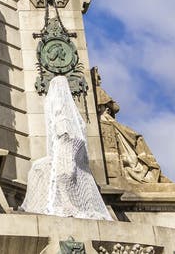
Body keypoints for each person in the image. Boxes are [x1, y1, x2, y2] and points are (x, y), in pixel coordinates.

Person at [21, 76, 111, 220]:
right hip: (67, 158)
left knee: (39, 168)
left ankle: (58, 203)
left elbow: (64, 147)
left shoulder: (62, 118)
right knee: (39, 167)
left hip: (64, 159)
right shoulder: (73, 119)